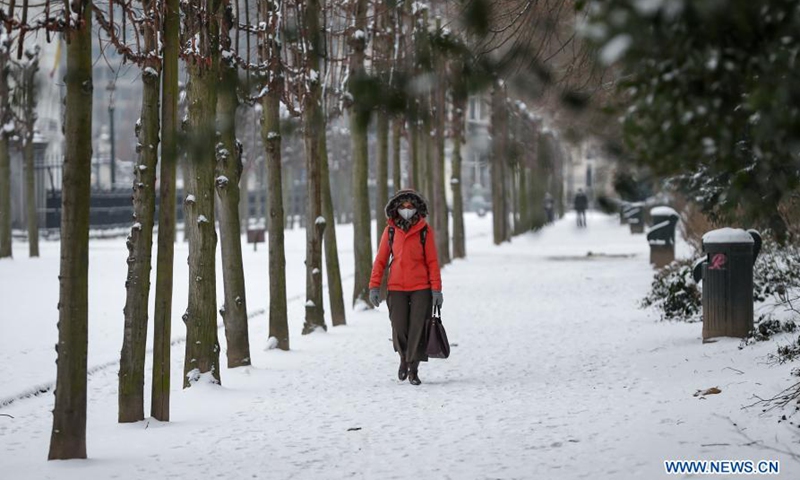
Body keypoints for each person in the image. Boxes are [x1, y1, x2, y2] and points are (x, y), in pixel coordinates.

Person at [369, 189, 442, 386]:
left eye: (411, 206)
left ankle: (413, 368)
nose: (407, 209)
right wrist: (374, 286)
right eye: (403, 206)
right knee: (399, 326)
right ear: (396, 208)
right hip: (396, 287)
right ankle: (403, 358)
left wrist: (436, 289)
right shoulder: (390, 231)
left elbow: (433, 262)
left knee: (418, 328)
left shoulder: (425, 231)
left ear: (417, 208)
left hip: (421, 287)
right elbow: (380, 260)